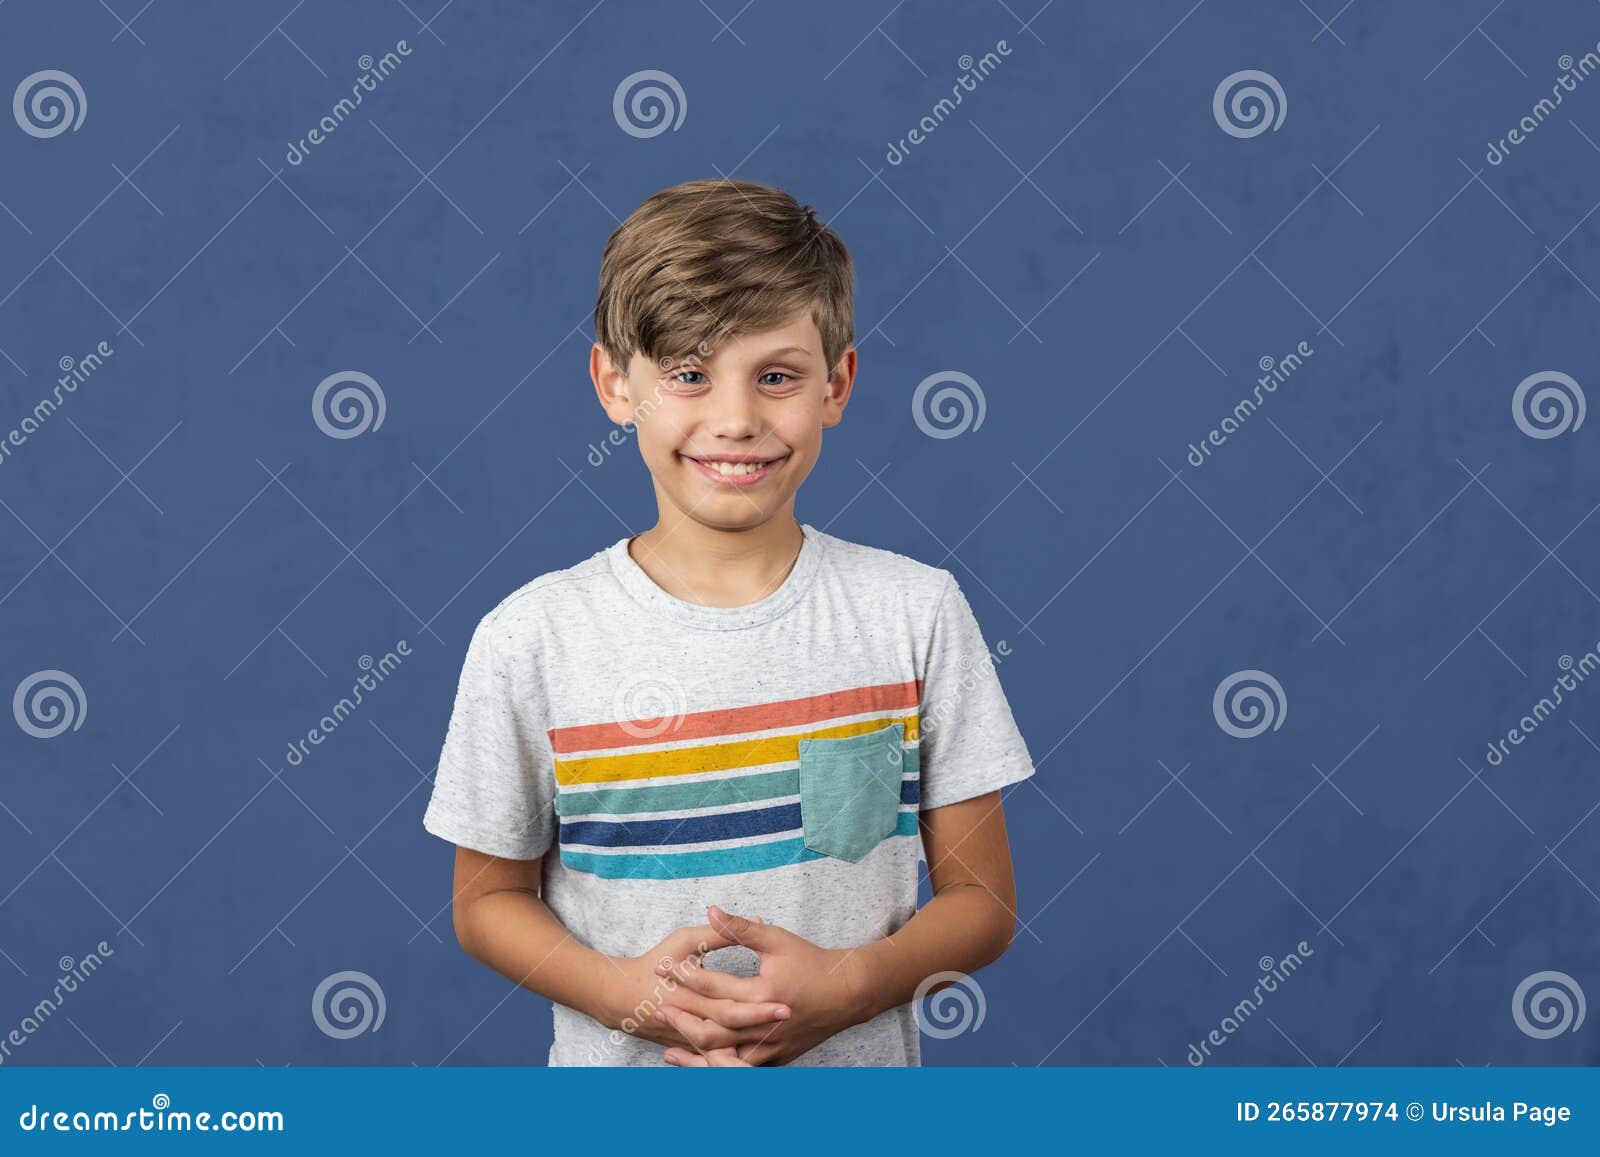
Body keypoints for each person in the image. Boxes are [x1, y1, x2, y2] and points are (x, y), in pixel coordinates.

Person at [422, 178, 1035, 1066]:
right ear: (614, 384)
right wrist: (623, 994)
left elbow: (984, 899)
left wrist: (855, 985)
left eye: (777, 375)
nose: (737, 419)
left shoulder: (914, 613)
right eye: (688, 373)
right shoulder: (532, 639)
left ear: (839, 383)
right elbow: (484, 902)